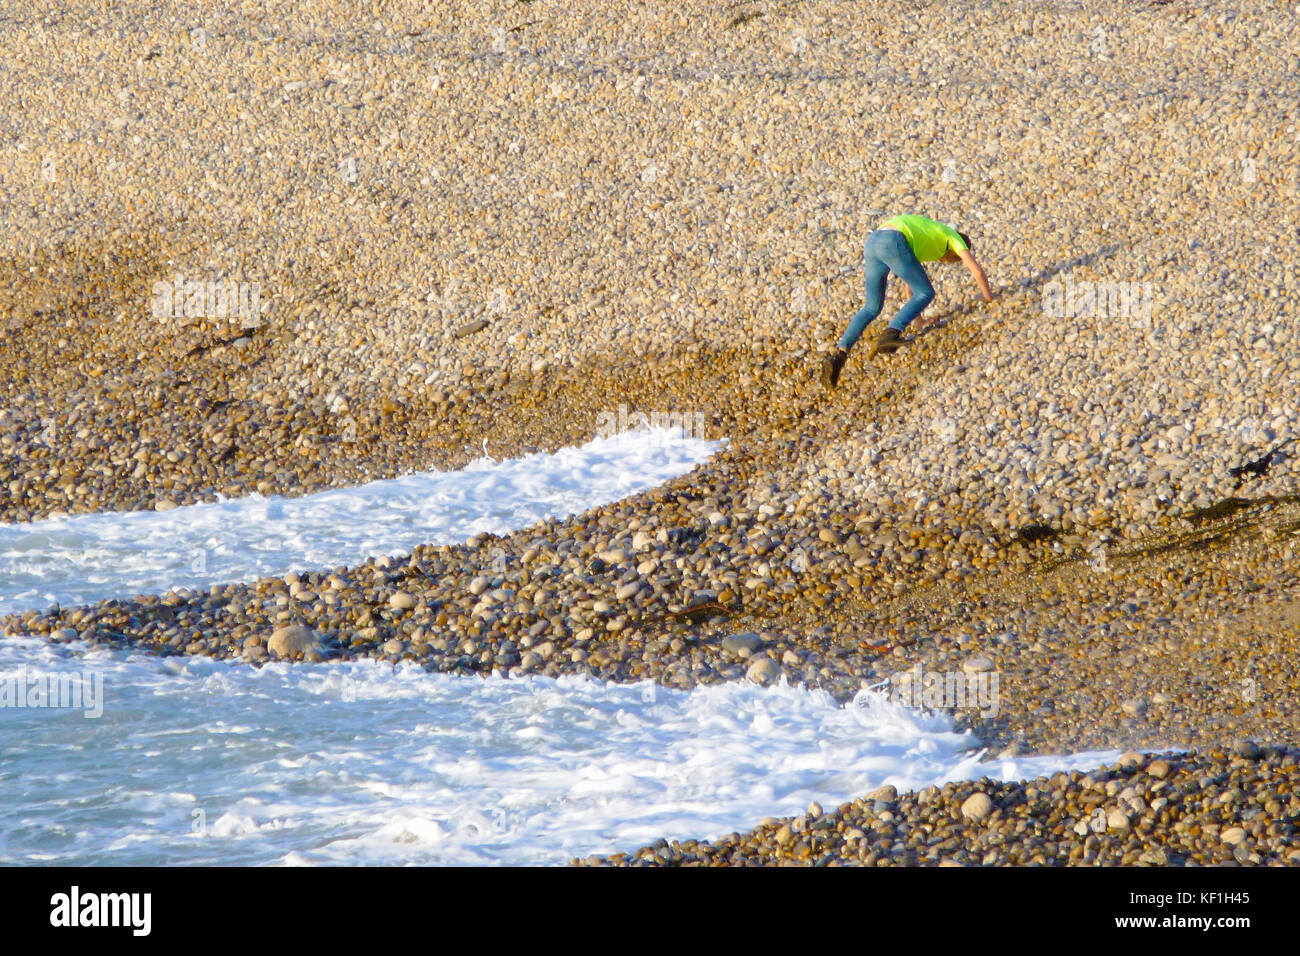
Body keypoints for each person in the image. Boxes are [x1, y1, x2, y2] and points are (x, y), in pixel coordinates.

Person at [822, 214, 993, 390]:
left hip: (873, 240)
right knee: (926, 292)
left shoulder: (928, 236)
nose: (947, 262)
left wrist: (920, 322)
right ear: (954, 253)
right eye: (953, 260)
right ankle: (890, 334)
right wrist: (988, 297)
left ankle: (839, 354)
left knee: (871, 307)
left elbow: (909, 288)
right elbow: (977, 271)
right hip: (892, 240)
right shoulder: (954, 237)